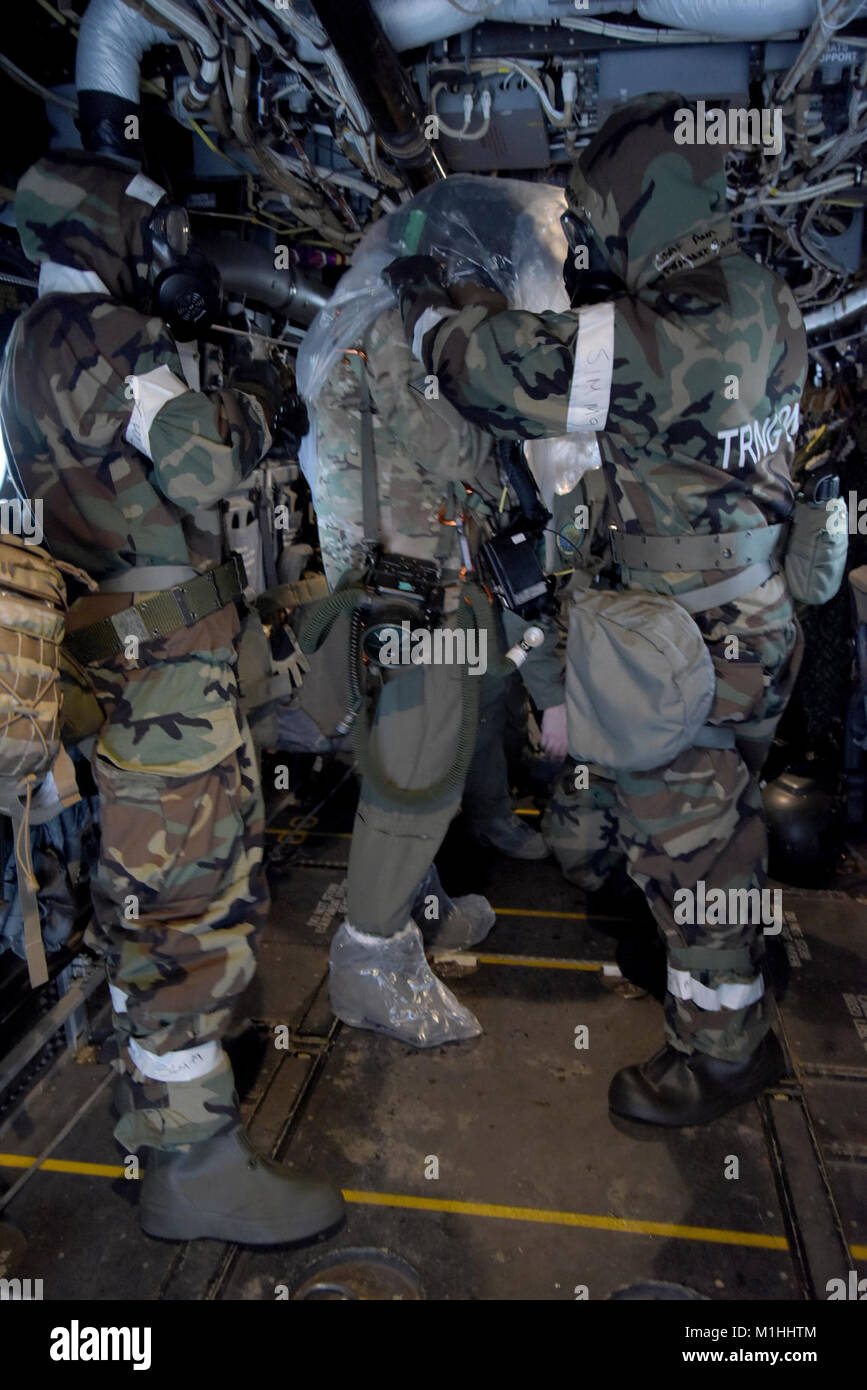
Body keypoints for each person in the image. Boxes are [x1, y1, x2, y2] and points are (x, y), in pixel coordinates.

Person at [383, 94, 807, 1126]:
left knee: (688, 844)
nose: (581, 234)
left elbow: (483, 369)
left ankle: (722, 1051)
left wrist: (429, 298)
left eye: (590, 213)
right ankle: (745, 962)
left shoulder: (648, 335)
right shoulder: (764, 296)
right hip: (760, 615)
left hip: (686, 642)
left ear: (630, 205)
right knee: (729, 818)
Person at [0, 150, 344, 1238]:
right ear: (102, 231)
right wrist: (254, 401)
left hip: (115, 656)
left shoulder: (26, 341)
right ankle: (195, 1168)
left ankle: (162, 1105)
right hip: (164, 675)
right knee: (187, 903)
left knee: (149, 894)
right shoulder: (110, 335)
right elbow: (203, 465)